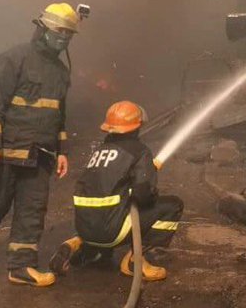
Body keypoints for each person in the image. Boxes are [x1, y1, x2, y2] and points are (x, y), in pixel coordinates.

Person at [0, 3, 80, 287]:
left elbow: (59, 115)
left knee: (32, 210)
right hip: (7, 152)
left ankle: (21, 267)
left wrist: (62, 151)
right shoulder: (13, 59)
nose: (64, 38)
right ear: (42, 28)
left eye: (69, 34)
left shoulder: (61, 72)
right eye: (60, 31)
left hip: (41, 154)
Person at [49, 101, 183, 281]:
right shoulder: (139, 151)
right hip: (110, 232)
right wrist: (149, 177)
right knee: (173, 205)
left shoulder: (100, 151)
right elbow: (143, 196)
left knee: (108, 212)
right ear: (137, 126)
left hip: (84, 228)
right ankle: (136, 261)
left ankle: (79, 245)